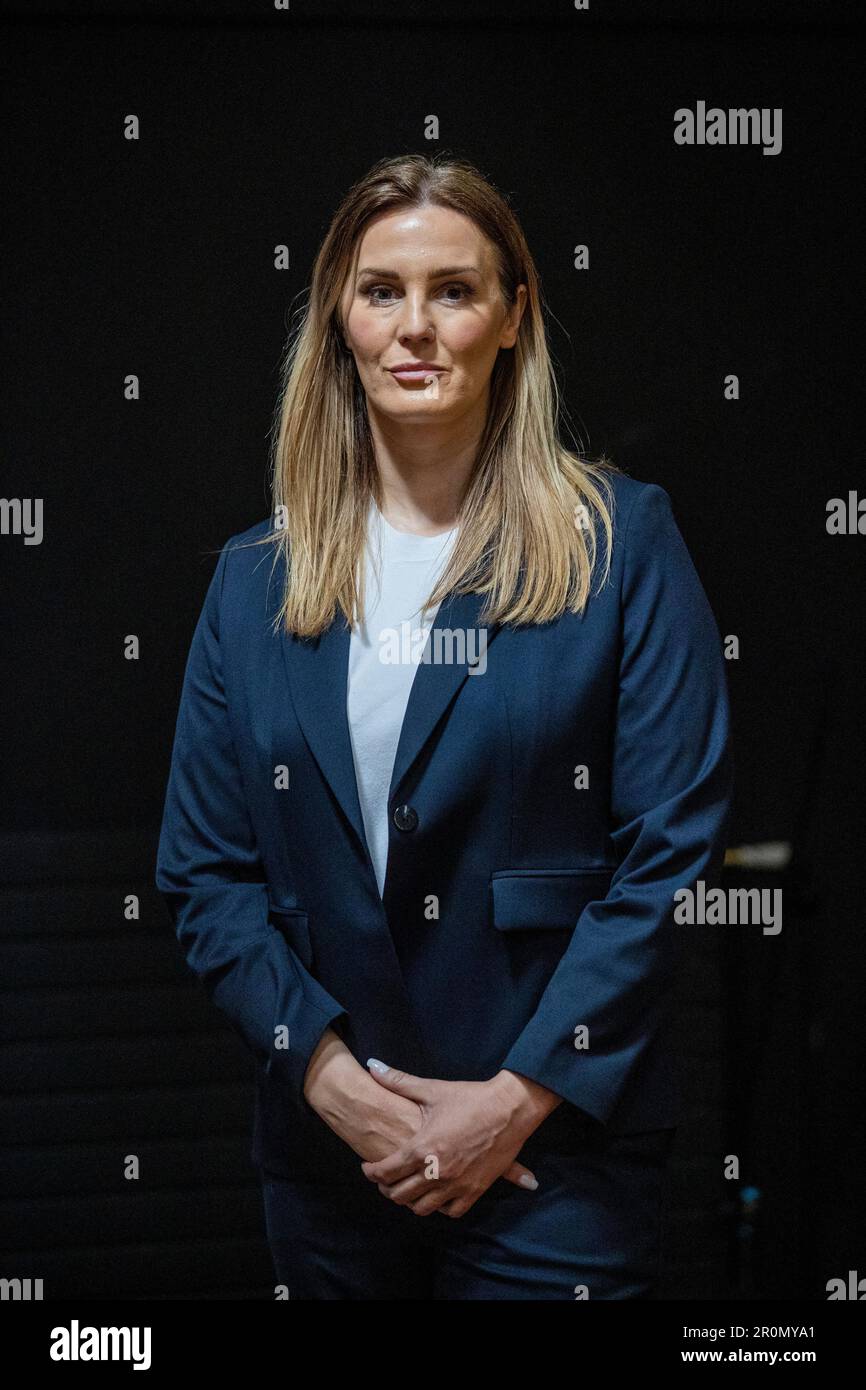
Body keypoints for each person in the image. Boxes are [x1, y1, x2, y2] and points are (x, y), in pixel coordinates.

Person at [156, 152, 734, 1300]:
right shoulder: (250, 581)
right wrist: (331, 1085)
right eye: (380, 291)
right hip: (331, 1176)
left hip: (552, 1171)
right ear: (339, 318)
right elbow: (203, 875)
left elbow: (668, 857)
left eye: (453, 290)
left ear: (513, 316)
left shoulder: (620, 545)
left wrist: (512, 1101)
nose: (414, 327)